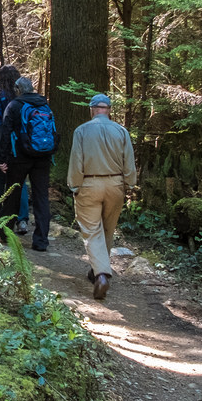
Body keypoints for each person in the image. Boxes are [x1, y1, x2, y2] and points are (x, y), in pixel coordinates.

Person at [68, 93, 137, 299]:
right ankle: (97, 270)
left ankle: (101, 275)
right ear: (108, 110)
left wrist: (75, 185)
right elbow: (129, 162)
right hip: (116, 184)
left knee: (91, 230)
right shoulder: (121, 131)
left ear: (92, 110)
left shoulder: (81, 131)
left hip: (89, 183)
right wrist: (129, 184)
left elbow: (76, 161)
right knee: (107, 229)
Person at [0, 76, 57, 251]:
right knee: (41, 198)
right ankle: (41, 241)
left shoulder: (14, 105)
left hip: (19, 158)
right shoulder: (44, 105)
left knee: (13, 194)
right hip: (42, 158)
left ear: (18, 89)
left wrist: (1, 159)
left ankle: (6, 233)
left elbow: (5, 133)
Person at [0, 65, 30, 233]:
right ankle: (22, 220)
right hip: (22, 148)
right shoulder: (25, 100)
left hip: (2, 146)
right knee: (21, 183)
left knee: (0, 181)